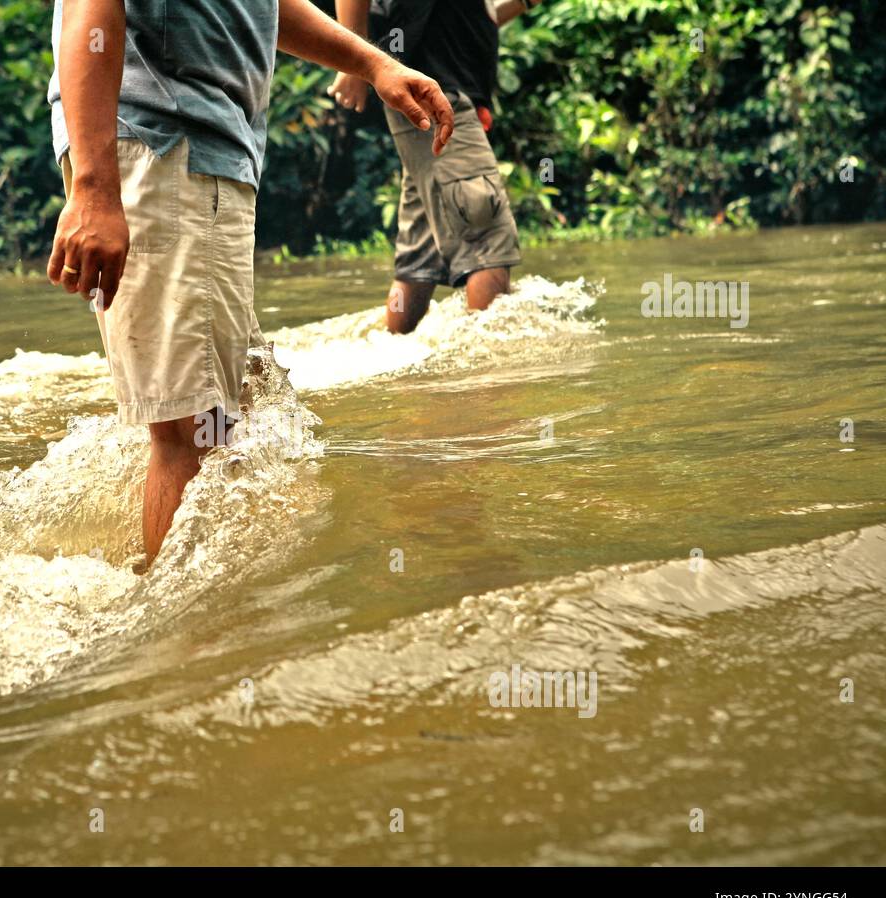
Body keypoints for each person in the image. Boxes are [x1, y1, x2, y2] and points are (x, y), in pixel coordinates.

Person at [46, 0, 455, 563]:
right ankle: (187, 642)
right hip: (166, 149)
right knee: (197, 432)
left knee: (247, 408)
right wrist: (94, 187)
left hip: (194, 158)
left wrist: (374, 64)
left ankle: (221, 612)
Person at [329, 0, 541, 333]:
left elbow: (480, 16)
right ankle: (492, 381)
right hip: (438, 99)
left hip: (442, 99)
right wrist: (352, 62)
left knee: (419, 264)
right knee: (487, 240)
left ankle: (394, 359)